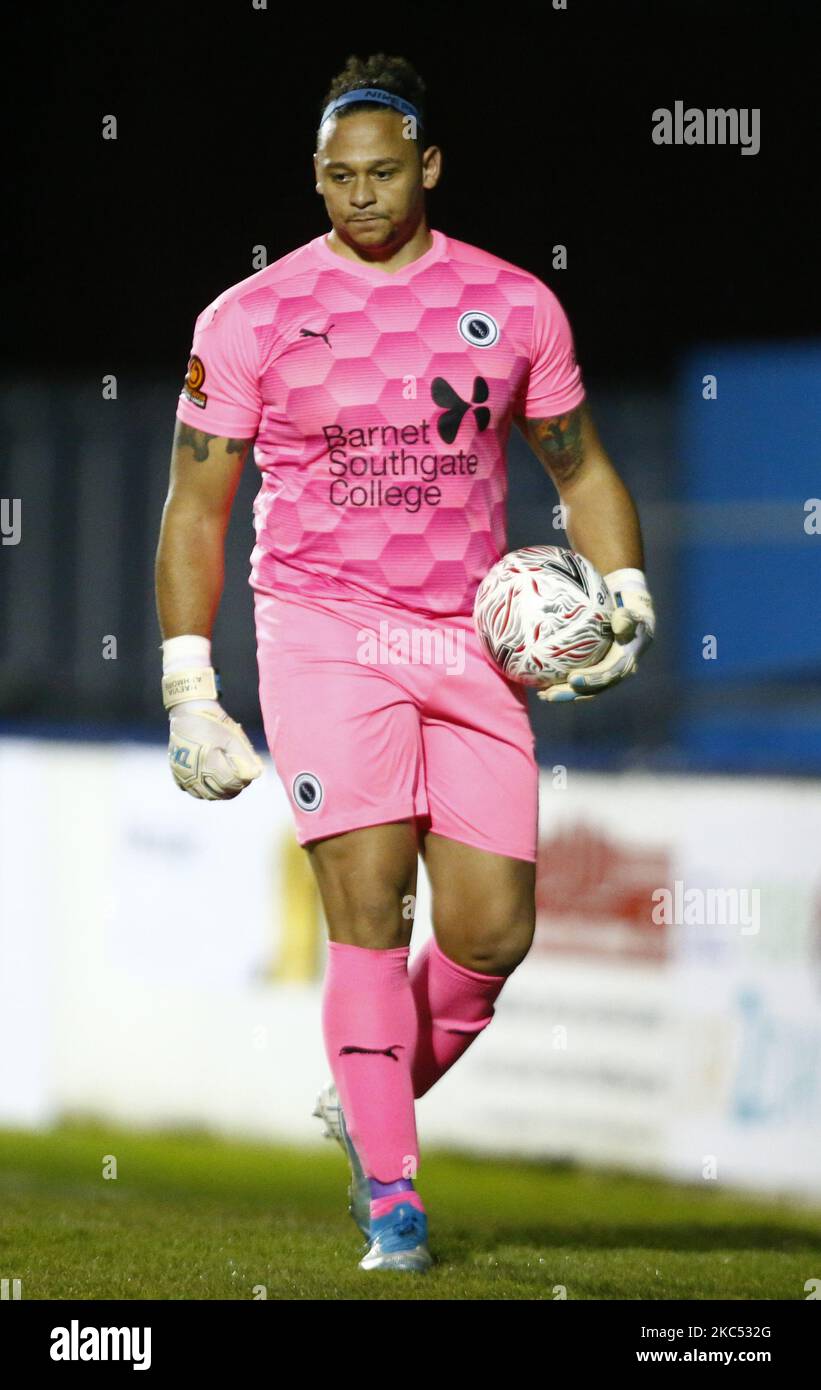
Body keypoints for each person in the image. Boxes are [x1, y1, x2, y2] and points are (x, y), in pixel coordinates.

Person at [154, 52, 654, 1275]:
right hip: (323, 631)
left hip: (467, 639)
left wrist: (628, 593)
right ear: (315, 179)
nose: (359, 198)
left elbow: (577, 468)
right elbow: (193, 509)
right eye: (336, 179)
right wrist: (187, 686)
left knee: (490, 933)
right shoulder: (249, 317)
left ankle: (366, 1090)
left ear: (426, 166)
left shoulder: (516, 305)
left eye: (382, 174)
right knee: (368, 910)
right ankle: (394, 1203)